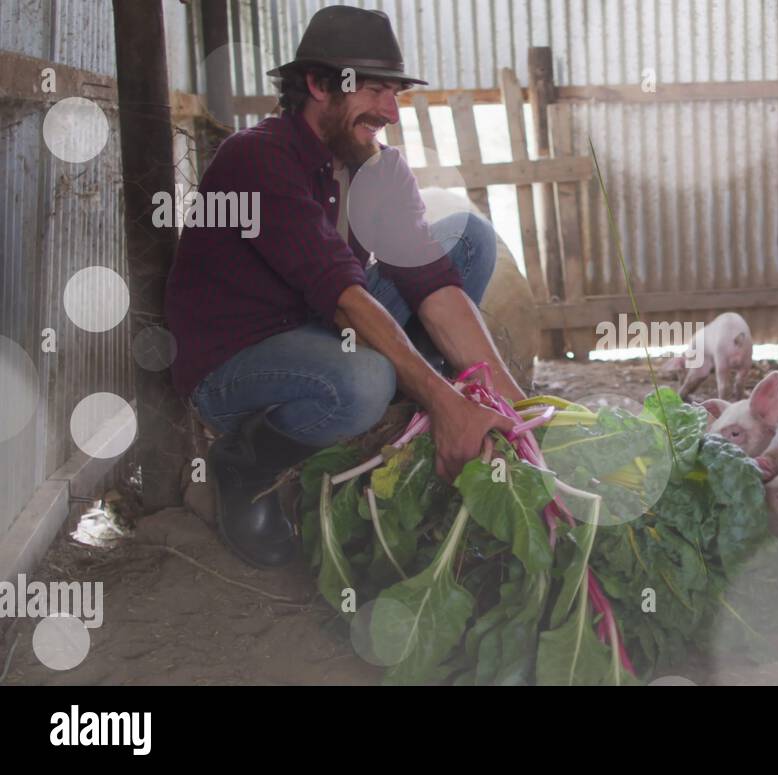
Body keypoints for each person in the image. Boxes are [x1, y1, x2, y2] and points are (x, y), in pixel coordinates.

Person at [164, 6, 524, 568]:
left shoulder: (376, 167)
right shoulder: (257, 157)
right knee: (362, 378)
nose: (390, 112)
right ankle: (243, 465)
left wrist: (518, 408)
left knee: (467, 241)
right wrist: (448, 404)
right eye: (377, 91)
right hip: (238, 363)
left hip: (321, 328)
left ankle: (415, 400)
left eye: (395, 93)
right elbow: (345, 298)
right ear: (318, 85)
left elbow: (432, 285)